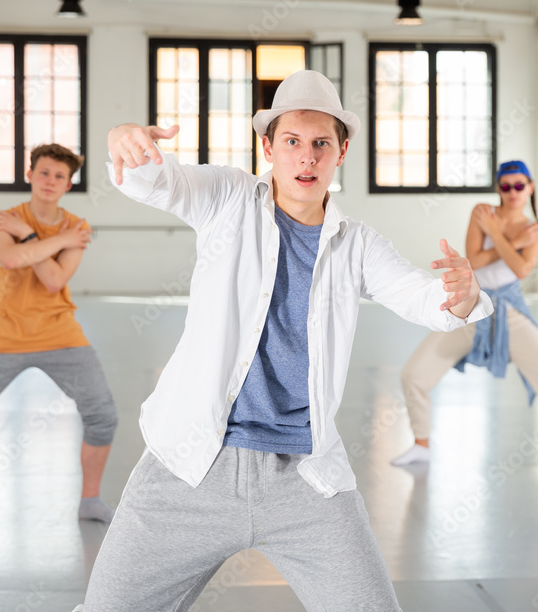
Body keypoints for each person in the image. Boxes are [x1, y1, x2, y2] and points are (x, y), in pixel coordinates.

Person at [77, 70, 492, 611]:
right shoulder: (226, 198)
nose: (307, 158)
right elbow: (161, 181)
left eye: (322, 144)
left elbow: (421, 296)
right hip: (191, 463)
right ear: (268, 146)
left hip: (306, 478)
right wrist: (124, 142)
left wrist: (459, 296)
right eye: (292, 142)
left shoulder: (356, 245)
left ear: (341, 152)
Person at [0, 144, 119, 529]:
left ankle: (90, 500)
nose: (50, 181)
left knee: (103, 416)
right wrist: (40, 238)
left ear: (69, 184)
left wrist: (30, 237)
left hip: (61, 333)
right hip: (4, 334)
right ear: (30, 174)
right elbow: (11, 260)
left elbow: (53, 281)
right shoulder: (7, 220)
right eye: (44, 173)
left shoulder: (77, 228)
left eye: (59, 176)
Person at [391, 160, 538, 474]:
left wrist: (497, 235)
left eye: (520, 185)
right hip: (470, 307)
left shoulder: (536, 230)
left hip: (510, 311)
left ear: (530, 187)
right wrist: (512, 243)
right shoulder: (482, 212)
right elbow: (474, 263)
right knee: (414, 374)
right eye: (506, 186)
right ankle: (421, 446)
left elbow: (521, 270)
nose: (512, 192)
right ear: (498, 189)